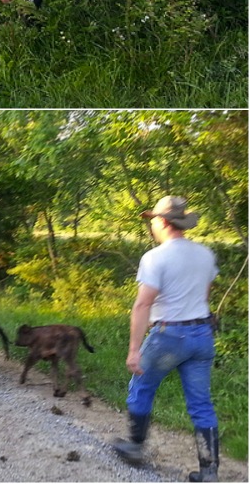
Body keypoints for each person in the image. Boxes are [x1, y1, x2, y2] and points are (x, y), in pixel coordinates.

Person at [112, 196, 220, 482]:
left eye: (153, 222)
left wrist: (134, 349)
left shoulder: (155, 257)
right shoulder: (205, 254)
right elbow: (203, 297)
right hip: (202, 335)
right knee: (201, 403)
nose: (152, 227)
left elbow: (143, 304)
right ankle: (209, 472)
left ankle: (135, 447)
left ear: (161, 221)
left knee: (142, 386)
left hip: (168, 336)